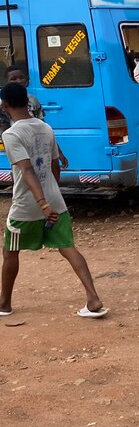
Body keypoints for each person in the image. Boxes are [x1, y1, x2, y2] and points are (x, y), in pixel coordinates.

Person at [0, 82, 106, 318]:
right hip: (54, 200)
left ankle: (4, 304)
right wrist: (50, 195)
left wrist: (42, 204)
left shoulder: (11, 134)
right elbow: (54, 166)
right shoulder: (46, 127)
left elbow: (26, 170)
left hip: (28, 204)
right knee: (67, 247)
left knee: (10, 251)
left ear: (5, 104)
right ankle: (93, 298)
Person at [0, 65, 69, 168]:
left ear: (27, 80)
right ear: (7, 82)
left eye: (21, 77)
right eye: (13, 79)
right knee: (25, 170)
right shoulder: (4, 104)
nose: (19, 81)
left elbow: (43, 126)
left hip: (36, 146)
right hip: (18, 147)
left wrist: (59, 152)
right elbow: (4, 129)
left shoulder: (32, 100)